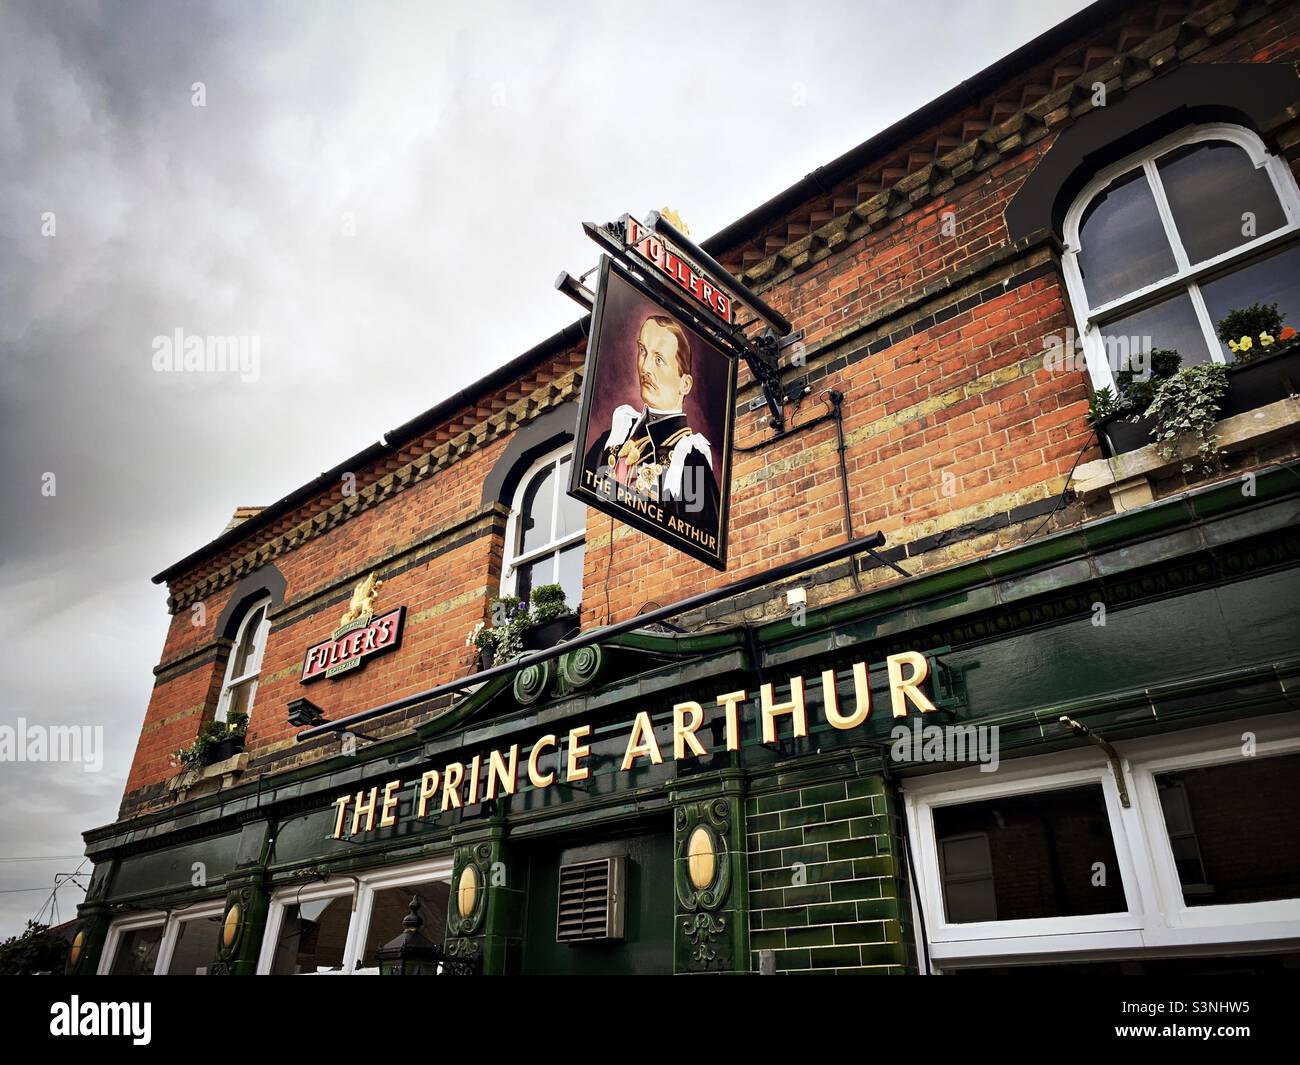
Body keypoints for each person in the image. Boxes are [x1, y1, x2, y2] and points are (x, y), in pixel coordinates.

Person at [582, 313, 719, 536]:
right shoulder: (615, 436)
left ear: (685, 384)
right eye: (642, 351)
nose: (644, 367)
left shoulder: (690, 460)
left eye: (659, 360)